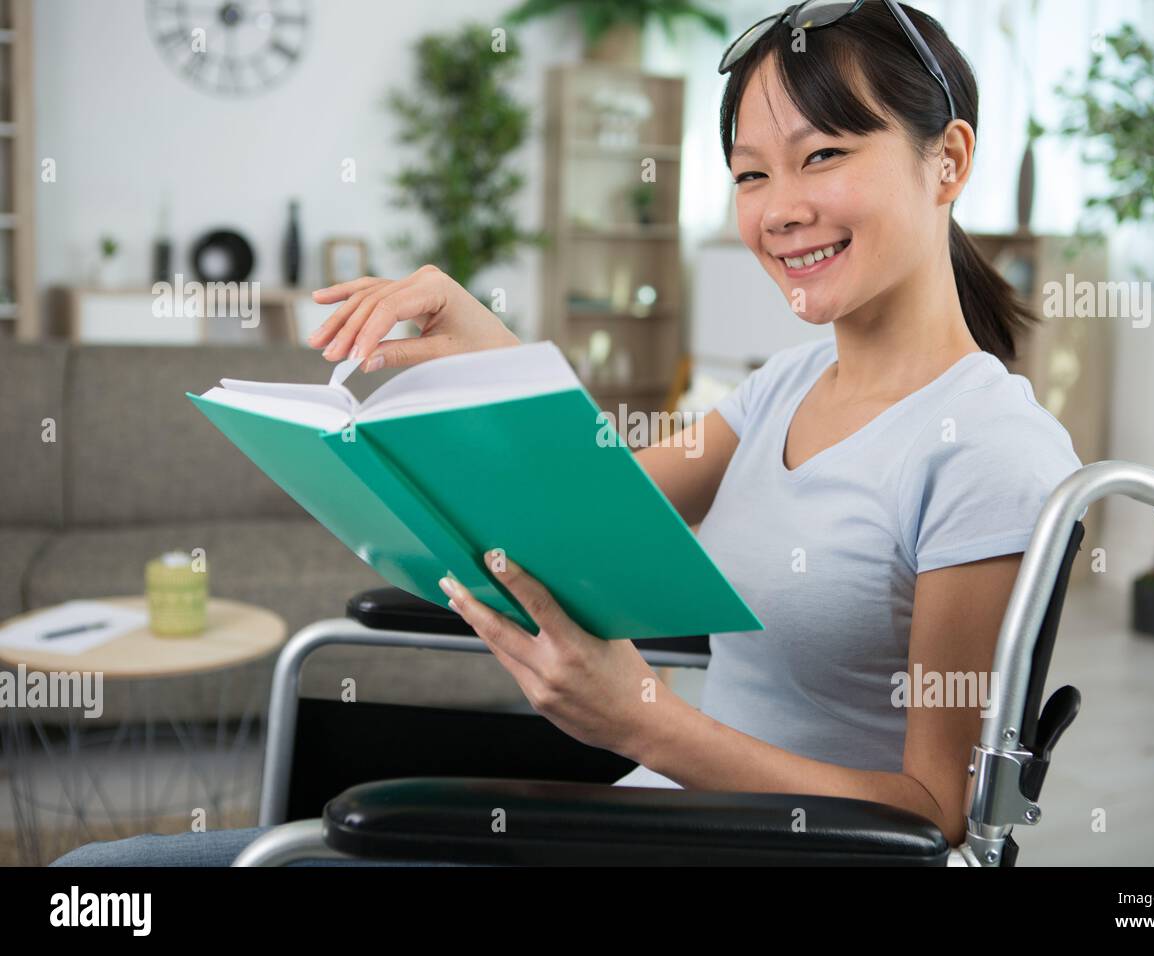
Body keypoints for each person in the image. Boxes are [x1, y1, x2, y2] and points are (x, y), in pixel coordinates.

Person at [52, 0, 1079, 867]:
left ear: (946, 162)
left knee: (116, 878)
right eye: (750, 173)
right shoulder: (792, 379)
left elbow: (938, 816)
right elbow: (605, 496)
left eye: (821, 156)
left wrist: (643, 719)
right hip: (653, 812)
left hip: (749, 843)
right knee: (106, 874)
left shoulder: (986, 450)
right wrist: (483, 351)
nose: (777, 209)